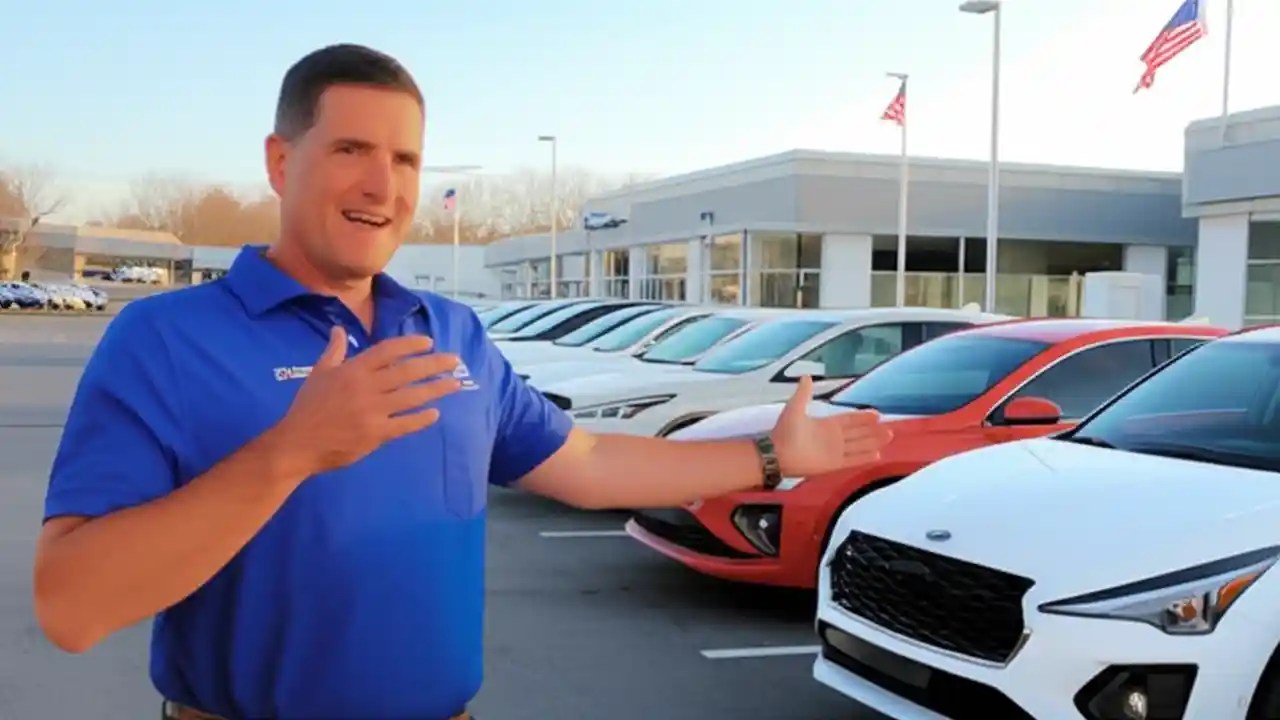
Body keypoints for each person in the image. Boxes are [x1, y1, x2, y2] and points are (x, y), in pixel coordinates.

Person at [31, 43, 891, 720]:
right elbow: (72, 606)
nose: (384, 185)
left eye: (406, 159)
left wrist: (770, 455)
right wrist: (289, 453)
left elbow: (586, 463)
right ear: (280, 161)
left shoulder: (452, 336)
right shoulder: (166, 338)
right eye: (351, 150)